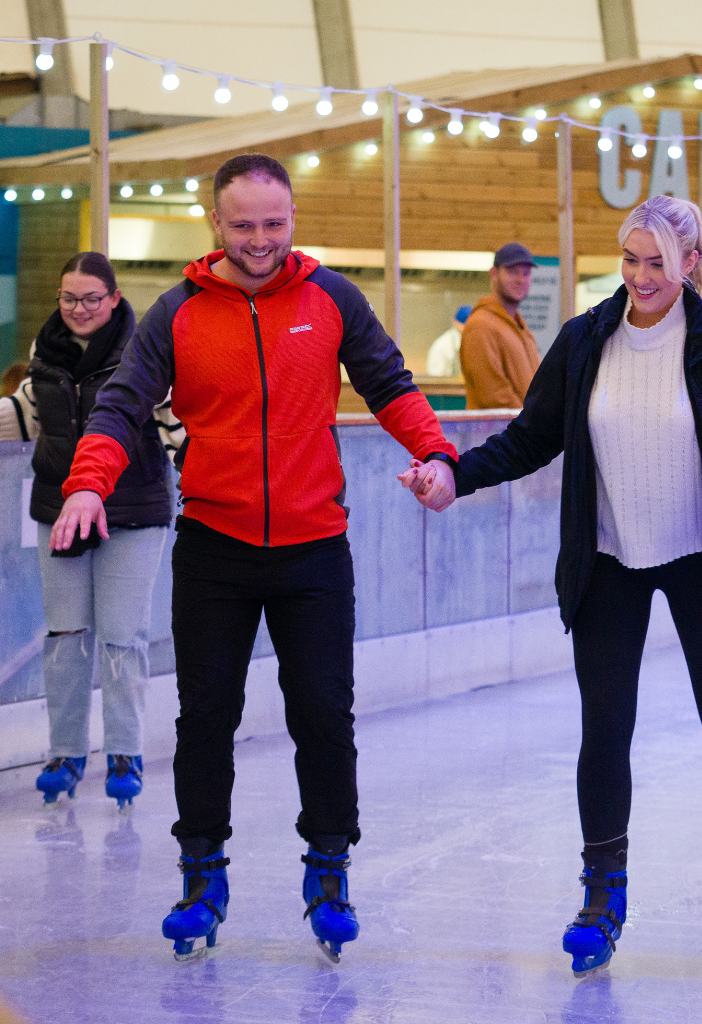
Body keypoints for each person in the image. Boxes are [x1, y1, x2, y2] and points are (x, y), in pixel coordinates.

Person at [50, 154, 458, 963]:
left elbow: (389, 383)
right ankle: (202, 876)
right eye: (244, 225)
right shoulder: (177, 314)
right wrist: (86, 484)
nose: (261, 239)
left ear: (293, 217)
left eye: (275, 223)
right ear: (216, 223)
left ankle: (329, 867)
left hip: (312, 548)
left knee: (322, 714)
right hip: (216, 549)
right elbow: (123, 404)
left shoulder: (332, 299)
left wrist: (439, 455)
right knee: (205, 719)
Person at [402, 195, 702, 972]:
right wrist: (451, 476)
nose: (641, 276)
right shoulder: (587, 337)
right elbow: (531, 437)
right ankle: (602, 891)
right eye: (631, 259)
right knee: (606, 729)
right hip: (608, 560)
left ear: (692, 263)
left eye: (659, 262)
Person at [0, 253, 177, 812]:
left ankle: (125, 752)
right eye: (69, 298)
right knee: (65, 638)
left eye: (91, 299)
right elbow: (28, 414)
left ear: (114, 299)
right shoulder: (44, 355)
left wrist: (205, 475)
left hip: (133, 508)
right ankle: (65, 753)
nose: (79, 309)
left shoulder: (144, 353)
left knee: (123, 635)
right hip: (60, 508)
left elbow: (175, 425)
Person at [460, 243, 540, 409]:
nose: (520, 280)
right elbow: (494, 396)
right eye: (512, 272)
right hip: (497, 433)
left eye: (526, 273)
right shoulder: (481, 325)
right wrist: (530, 425)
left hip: (519, 431)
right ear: (494, 274)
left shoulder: (520, 328)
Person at [425, 304, 472, 376]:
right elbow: (434, 378)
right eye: (465, 325)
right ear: (455, 323)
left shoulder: (474, 343)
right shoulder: (443, 346)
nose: (469, 328)